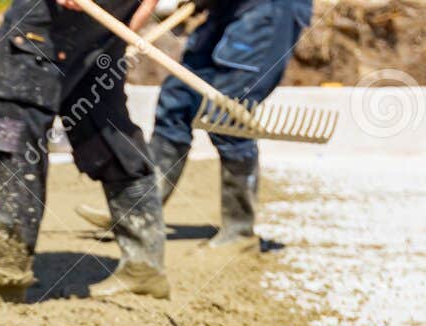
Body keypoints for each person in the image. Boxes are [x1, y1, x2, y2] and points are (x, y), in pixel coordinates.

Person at [0, 0, 169, 304]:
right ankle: (145, 262)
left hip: (55, 15)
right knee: (100, 118)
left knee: (7, 109)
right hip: (113, 10)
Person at [78, 0, 312, 250]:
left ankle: (240, 230)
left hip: (269, 10)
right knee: (175, 101)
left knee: (228, 114)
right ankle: (140, 213)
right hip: (228, 9)